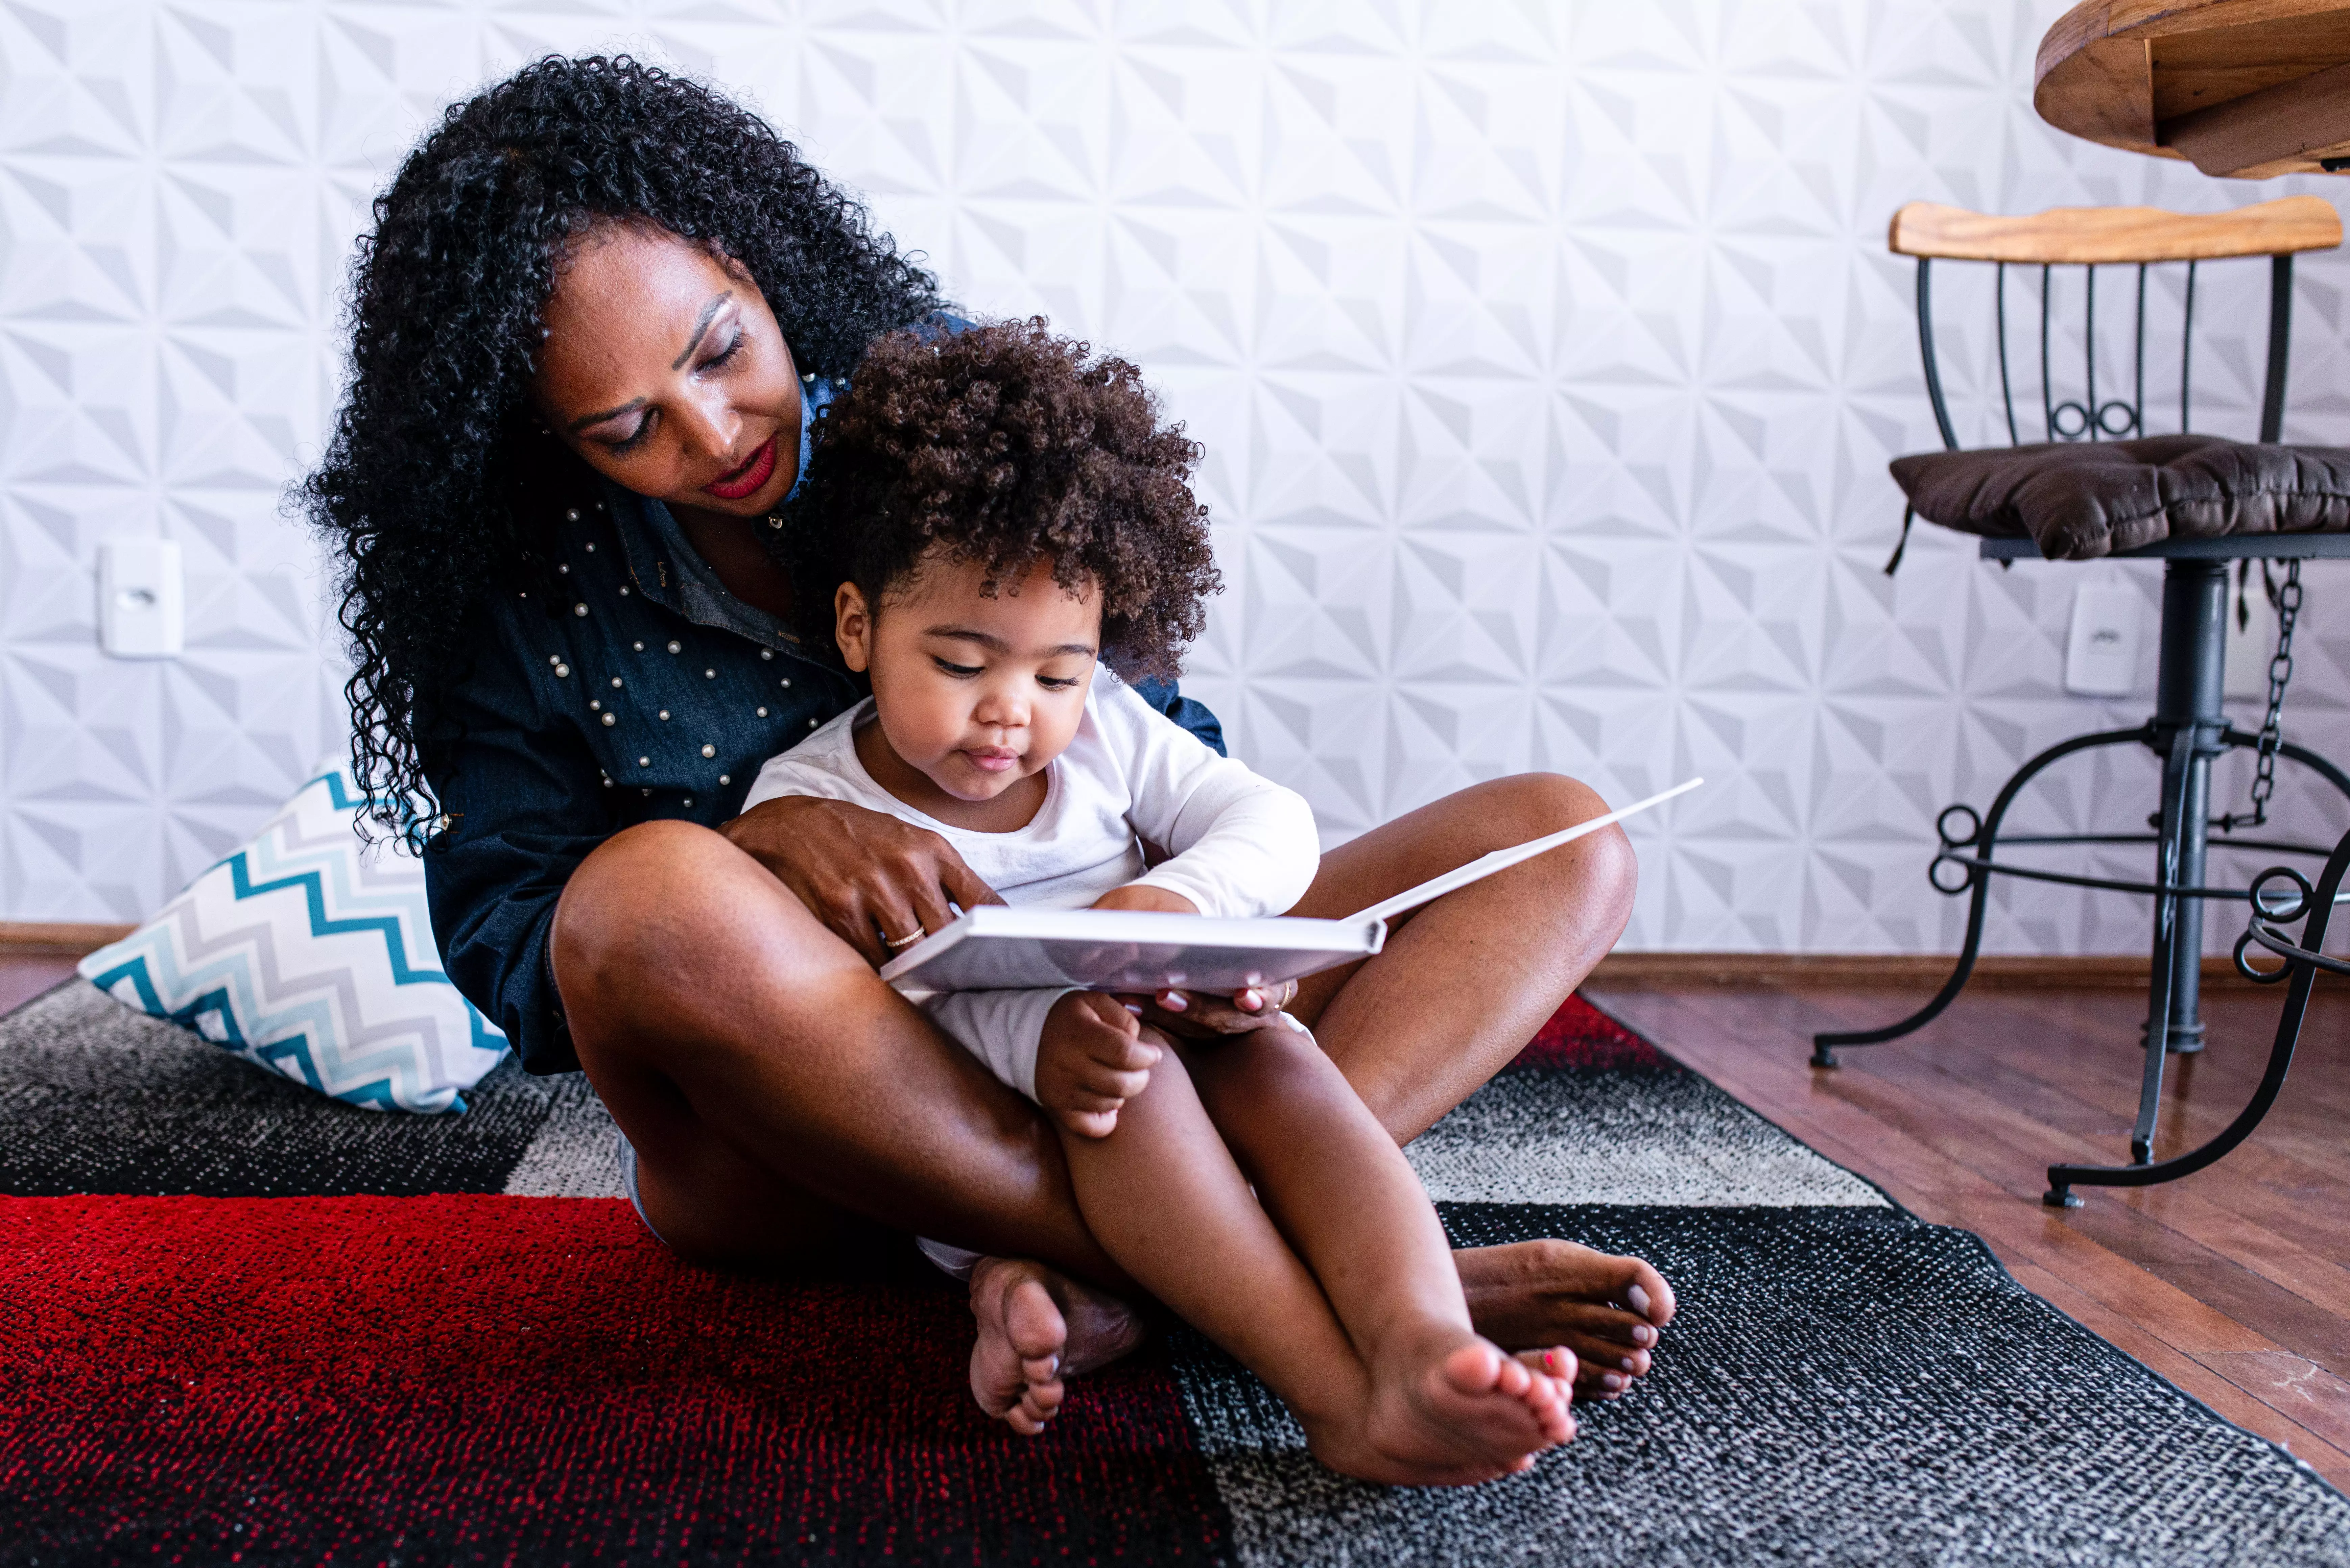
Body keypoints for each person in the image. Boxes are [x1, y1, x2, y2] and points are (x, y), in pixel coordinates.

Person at [301, 54, 1676, 1437]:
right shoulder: (526, 591)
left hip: (1106, 1022)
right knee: (644, 893)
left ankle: (1154, 1274)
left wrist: (1184, 941)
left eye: (721, 350)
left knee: (1562, 843)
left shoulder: (947, 418)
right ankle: (1310, 1279)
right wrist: (758, 850)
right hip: (820, 1134)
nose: (715, 432)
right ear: (547, 437)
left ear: (752, 253)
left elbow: (1148, 730)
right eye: (626, 428)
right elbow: (527, 948)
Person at [741, 319, 1578, 1482]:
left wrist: (1176, 913)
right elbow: (862, 1015)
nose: (1010, 712)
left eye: (1056, 673)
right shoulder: (809, 799)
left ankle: (1420, 1336)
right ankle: (1335, 1393)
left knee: (1284, 1060)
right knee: (1129, 1094)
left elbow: (1267, 822)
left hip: (1150, 1013)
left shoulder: (1108, 737)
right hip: (998, 1121)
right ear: (856, 628)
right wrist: (1050, 1037)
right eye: (960, 662)